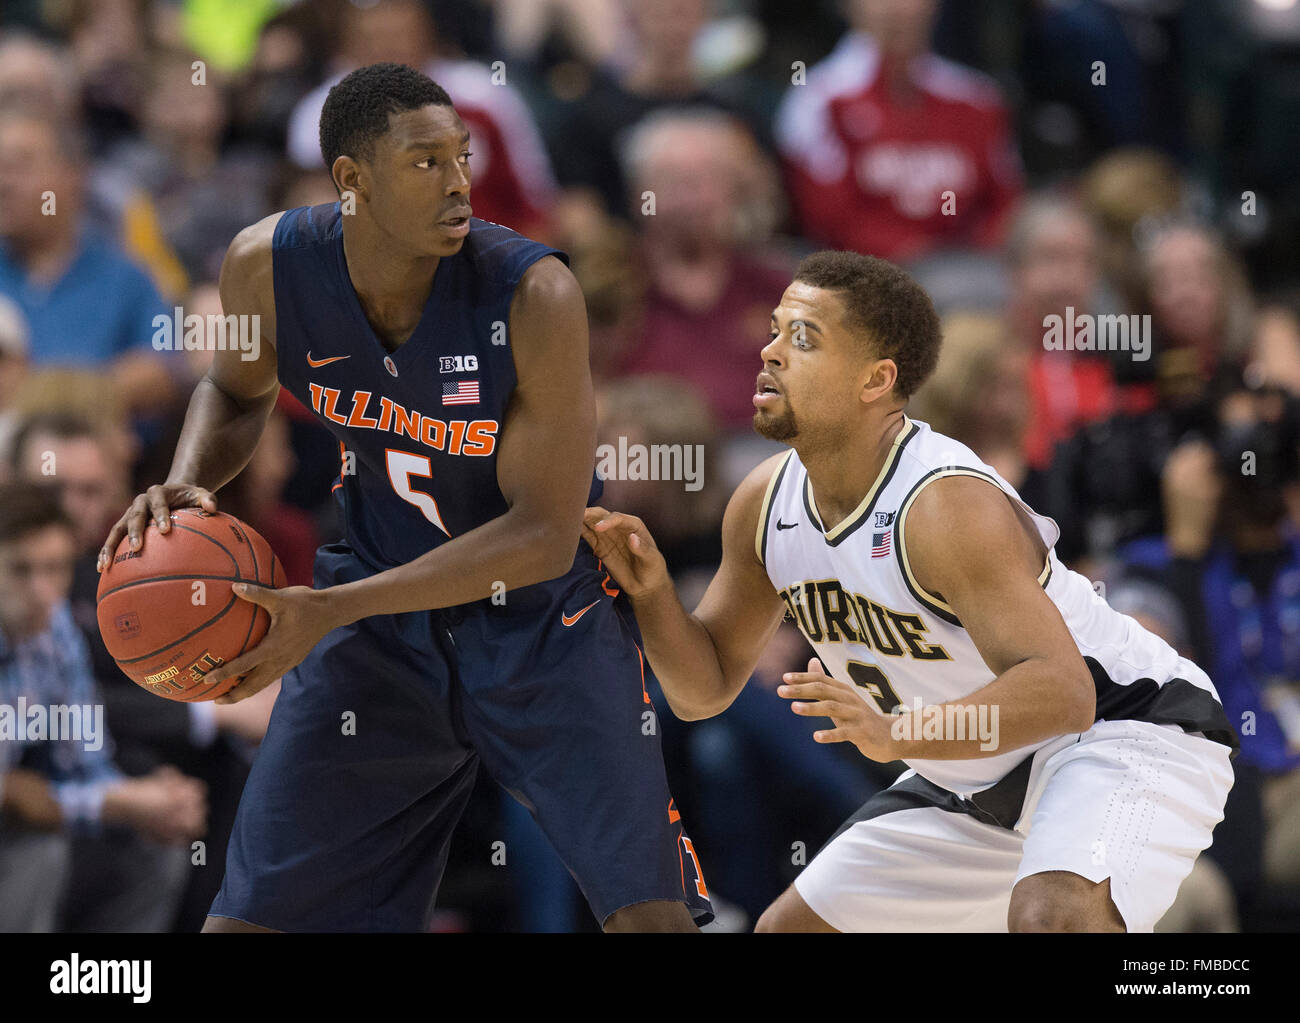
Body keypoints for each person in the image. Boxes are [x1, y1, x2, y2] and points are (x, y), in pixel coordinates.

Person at [97, 62, 710, 934]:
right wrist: (191, 479)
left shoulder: (535, 293)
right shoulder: (264, 266)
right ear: (352, 179)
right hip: (381, 632)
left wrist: (330, 605)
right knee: (249, 922)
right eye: (427, 163)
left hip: (541, 627)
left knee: (649, 918)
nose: (460, 181)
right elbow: (235, 392)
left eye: (462, 157)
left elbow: (538, 535)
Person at [583, 250, 1238, 932]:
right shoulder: (764, 501)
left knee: (1054, 919)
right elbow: (703, 689)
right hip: (978, 774)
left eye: (801, 337)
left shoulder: (943, 502)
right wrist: (652, 594)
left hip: (1124, 730)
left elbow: (1063, 692)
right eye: (774, 329)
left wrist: (900, 731)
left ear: (876, 379)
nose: (770, 351)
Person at [0, 481, 206, 932]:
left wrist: (146, 798)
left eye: (54, 570)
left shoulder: (55, 630)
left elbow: (84, 761)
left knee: (155, 843)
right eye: (20, 570)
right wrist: (121, 802)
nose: (41, 591)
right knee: (39, 851)